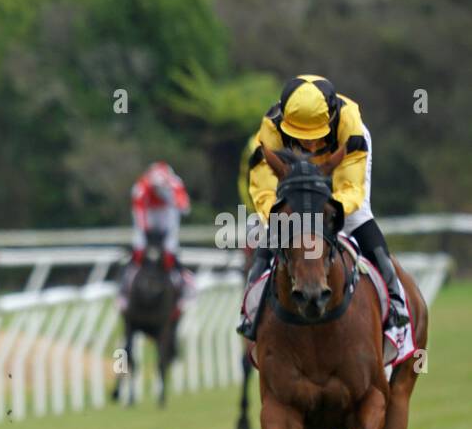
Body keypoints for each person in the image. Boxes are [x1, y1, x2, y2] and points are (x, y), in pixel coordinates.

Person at [236, 74, 410, 340]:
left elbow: (351, 189)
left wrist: (322, 213)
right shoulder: (269, 130)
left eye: (316, 136)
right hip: (293, 170)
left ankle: (395, 297)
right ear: (285, 123)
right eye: (301, 137)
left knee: (358, 217)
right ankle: (250, 306)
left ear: (329, 120)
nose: (310, 144)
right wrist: (285, 216)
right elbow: (263, 189)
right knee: (271, 226)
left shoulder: (350, 125)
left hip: (340, 165)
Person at [117, 162, 194, 313]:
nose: (159, 192)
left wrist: (171, 197)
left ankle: (184, 286)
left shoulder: (175, 184)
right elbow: (139, 216)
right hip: (148, 215)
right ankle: (124, 291)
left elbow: (184, 209)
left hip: (167, 214)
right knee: (139, 251)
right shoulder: (141, 188)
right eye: (157, 189)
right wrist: (147, 235)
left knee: (170, 252)